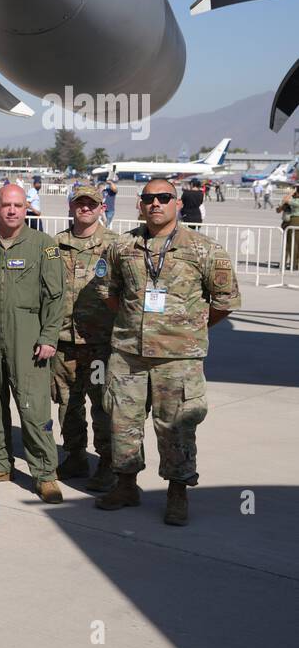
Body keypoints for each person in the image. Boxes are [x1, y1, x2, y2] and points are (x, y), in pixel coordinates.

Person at [97, 178, 241, 525]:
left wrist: (189, 330)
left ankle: (177, 492)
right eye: (149, 198)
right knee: (122, 421)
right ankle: (126, 484)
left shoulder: (204, 249)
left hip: (179, 358)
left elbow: (225, 301)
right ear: (140, 205)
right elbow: (109, 291)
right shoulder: (122, 246)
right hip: (129, 354)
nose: (156, 204)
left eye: (164, 197)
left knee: (176, 426)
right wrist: (135, 325)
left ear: (177, 203)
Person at [0, 184, 66, 501]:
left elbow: (55, 296)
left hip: (27, 334)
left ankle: (45, 474)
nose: (11, 211)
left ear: (27, 208)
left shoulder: (43, 244)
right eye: (5, 205)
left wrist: (49, 335)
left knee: (33, 406)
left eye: (17, 205)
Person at [51, 184, 118, 491]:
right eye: (80, 203)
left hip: (100, 345)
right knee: (67, 403)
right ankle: (75, 455)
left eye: (91, 203)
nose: (85, 208)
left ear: (101, 208)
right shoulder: (55, 245)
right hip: (64, 343)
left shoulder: (116, 246)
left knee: (102, 405)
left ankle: (107, 463)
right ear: (71, 207)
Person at [278, 184, 299, 272]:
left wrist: (291, 193)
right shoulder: (294, 199)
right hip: (290, 221)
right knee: (292, 243)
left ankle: (293, 264)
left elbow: (285, 200)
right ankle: (293, 264)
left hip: (295, 220)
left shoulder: (295, 200)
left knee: (292, 244)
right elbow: (279, 206)